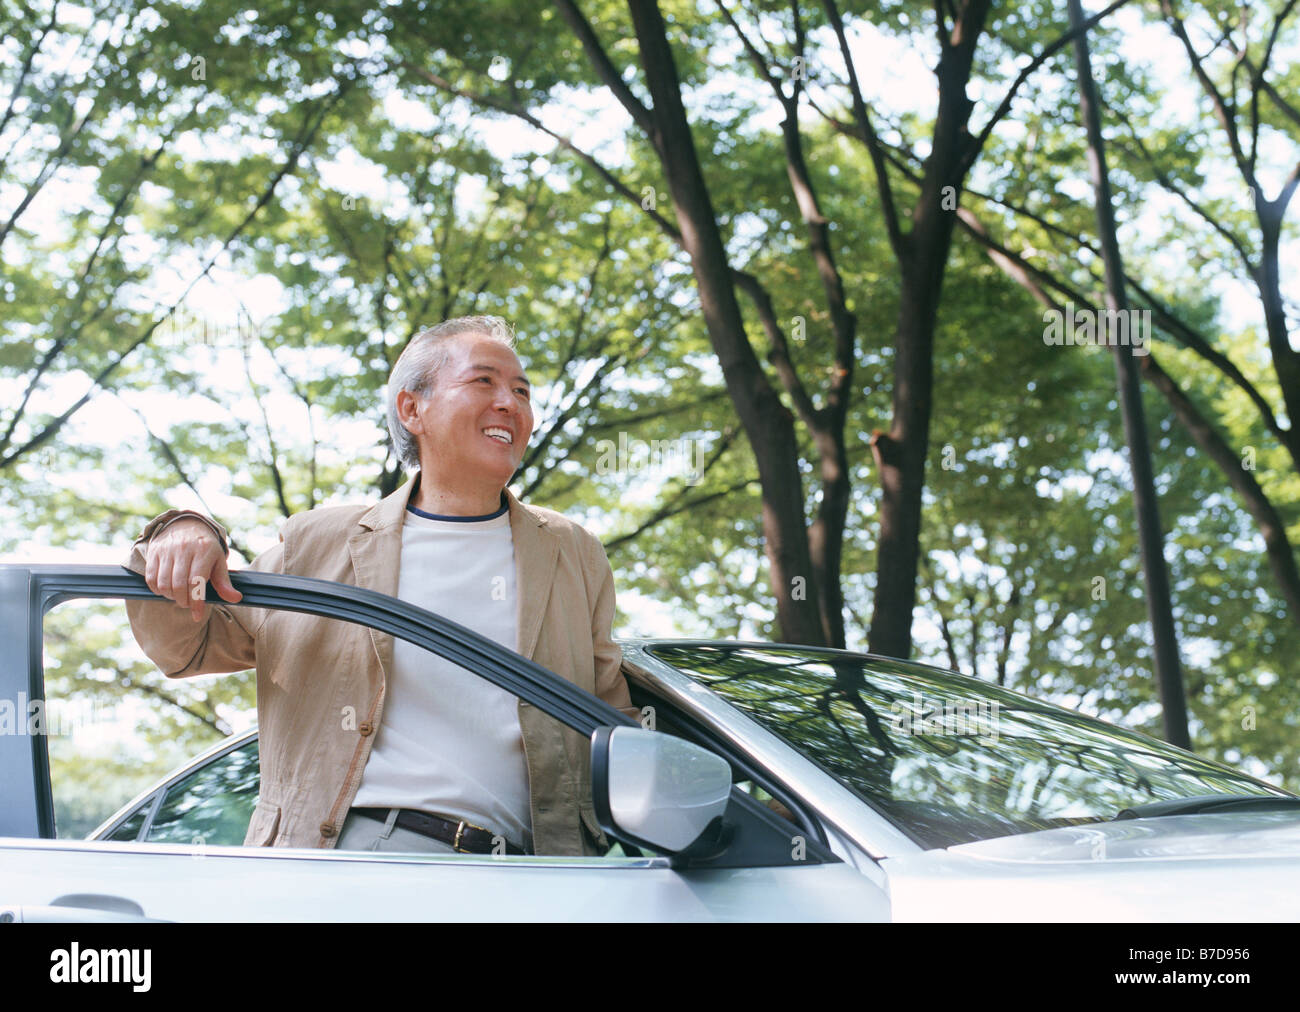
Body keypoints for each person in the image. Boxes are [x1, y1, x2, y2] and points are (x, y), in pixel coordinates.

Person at [124, 315, 637, 857]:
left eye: (522, 391)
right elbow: (187, 648)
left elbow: (612, 717)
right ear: (412, 409)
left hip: (536, 873)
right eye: (484, 381)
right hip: (364, 853)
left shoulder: (572, 551)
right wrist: (182, 530)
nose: (510, 403)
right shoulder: (319, 543)